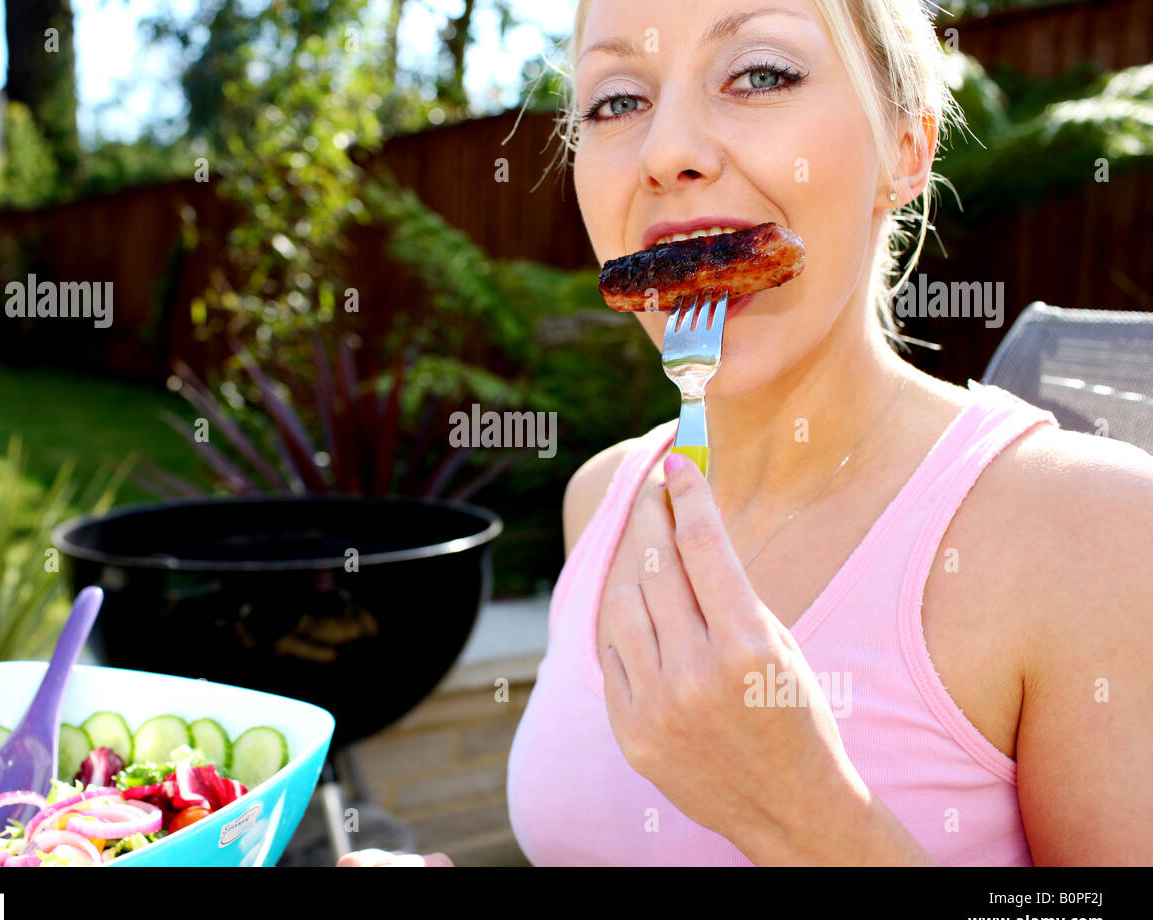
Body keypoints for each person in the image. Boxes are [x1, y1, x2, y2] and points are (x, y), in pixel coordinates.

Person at [339, 0, 1153, 867]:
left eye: (760, 74)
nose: (667, 153)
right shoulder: (604, 501)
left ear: (906, 149)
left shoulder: (1096, 530)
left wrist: (806, 817)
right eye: (616, 101)